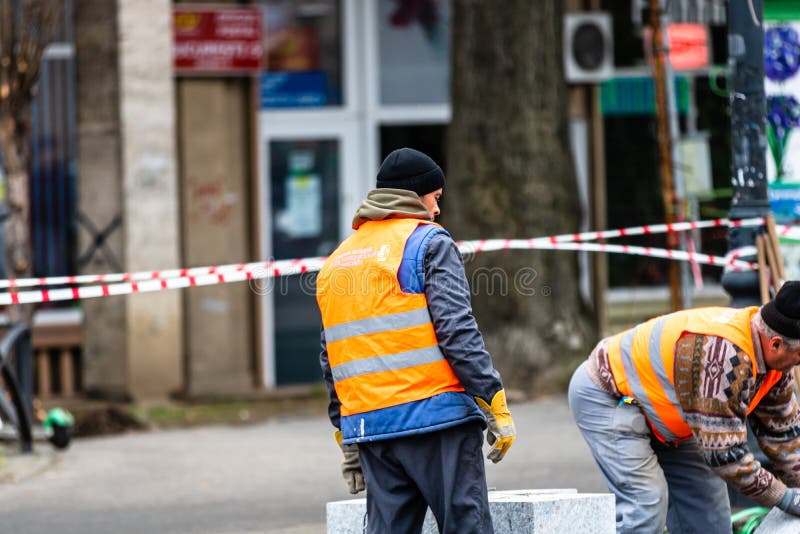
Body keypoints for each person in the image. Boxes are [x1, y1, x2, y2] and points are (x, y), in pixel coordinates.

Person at [316, 147, 516, 534]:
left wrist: (346, 434)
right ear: (415, 195)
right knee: (465, 526)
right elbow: (456, 331)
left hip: (372, 430)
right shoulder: (427, 243)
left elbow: (332, 357)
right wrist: (492, 398)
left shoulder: (337, 262)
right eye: (435, 198)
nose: (437, 210)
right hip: (436, 422)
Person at [568, 280, 800, 534]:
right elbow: (727, 456)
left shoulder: (778, 365)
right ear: (775, 343)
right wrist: (786, 499)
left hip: (673, 417)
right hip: (612, 395)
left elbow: (785, 438)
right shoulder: (723, 355)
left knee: (709, 516)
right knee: (645, 504)